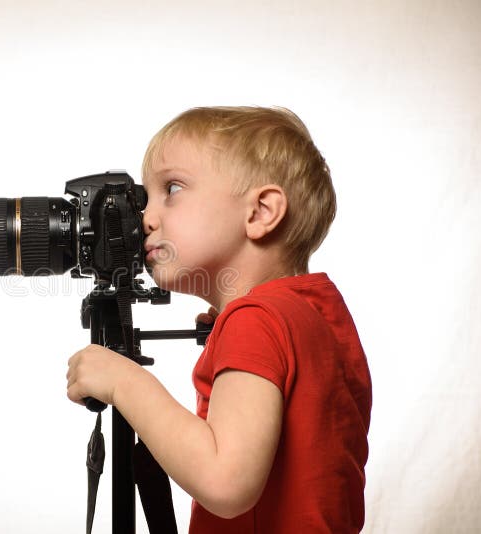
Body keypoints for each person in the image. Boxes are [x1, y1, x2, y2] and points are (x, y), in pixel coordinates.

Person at [65, 106, 372, 533]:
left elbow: (226, 482)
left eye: (172, 188)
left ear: (260, 212)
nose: (146, 218)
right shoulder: (319, 311)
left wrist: (125, 382)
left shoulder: (256, 323)